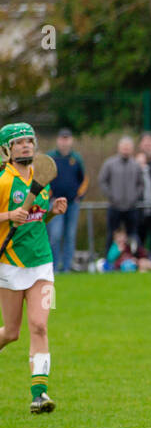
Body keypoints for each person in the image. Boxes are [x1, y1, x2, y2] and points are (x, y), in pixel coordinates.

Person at [0, 123, 69, 413]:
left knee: (40, 325)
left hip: (43, 265)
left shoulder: (42, 179)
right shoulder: (3, 181)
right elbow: (14, 219)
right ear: (7, 150)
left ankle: (39, 395)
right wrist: (7, 214)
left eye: (29, 141)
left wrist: (51, 212)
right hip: (10, 265)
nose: (26, 146)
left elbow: (36, 222)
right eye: (19, 143)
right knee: (12, 332)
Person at [45, 129, 87, 273]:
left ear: (71, 140)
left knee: (70, 236)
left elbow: (84, 179)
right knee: (55, 236)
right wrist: (49, 196)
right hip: (55, 203)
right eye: (62, 138)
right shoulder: (50, 157)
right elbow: (43, 178)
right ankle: (54, 267)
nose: (64, 141)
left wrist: (79, 196)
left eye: (67, 138)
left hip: (72, 204)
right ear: (58, 140)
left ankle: (67, 267)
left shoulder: (76, 158)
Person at [98, 136, 146, 256]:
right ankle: (108, 260)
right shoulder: (110, 163)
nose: (126, 150)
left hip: (131, 207)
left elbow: (141, 184)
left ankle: (134, 258)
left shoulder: (135, 165)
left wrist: (134, 197)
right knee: (111, 234)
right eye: (124, 147)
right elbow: (102, 181)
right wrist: (111, 196)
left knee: (133, 235)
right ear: (119, 148)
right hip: (115, 206)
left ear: (132, 149)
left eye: (128, 147)